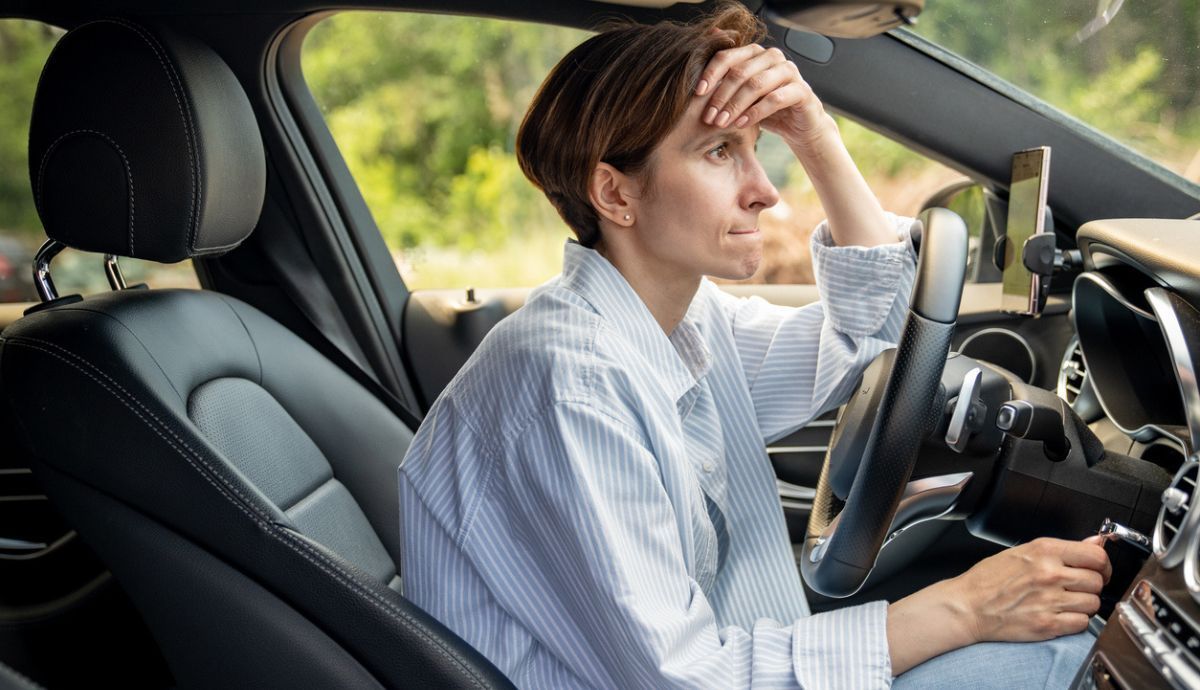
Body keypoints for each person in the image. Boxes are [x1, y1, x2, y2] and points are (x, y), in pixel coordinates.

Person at [398, 4, 1111, 688]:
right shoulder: (568, 388)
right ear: (616, 195)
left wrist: (815, 136)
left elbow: (871, 335)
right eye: (719, 152)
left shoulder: (680, 321)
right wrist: (967, 606)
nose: (766, 192)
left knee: (1062, 645)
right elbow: (684, 680)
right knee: (1065, 662)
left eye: (758, 149)